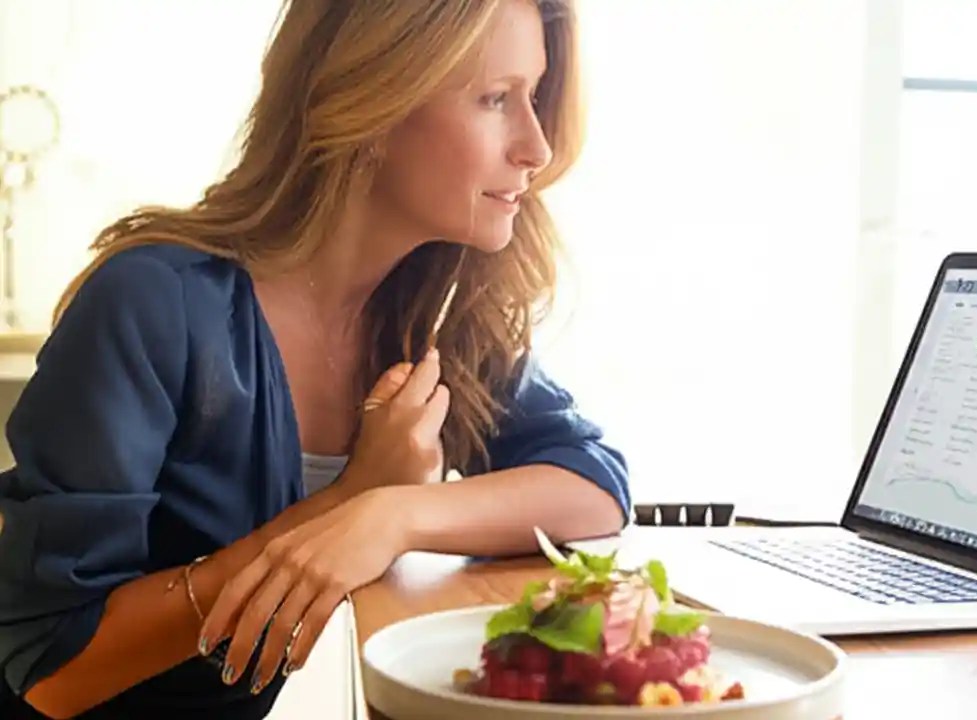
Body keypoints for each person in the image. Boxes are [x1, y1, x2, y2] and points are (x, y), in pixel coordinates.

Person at [0, 0, 629, 717]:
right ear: (369, 102)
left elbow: (593, 486)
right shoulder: (154, 302)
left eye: (535, 96)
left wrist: (396, 514)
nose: (537, 147)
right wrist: (344, 503)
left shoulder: (436, 317)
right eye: (495, 99)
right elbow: (52, 666)